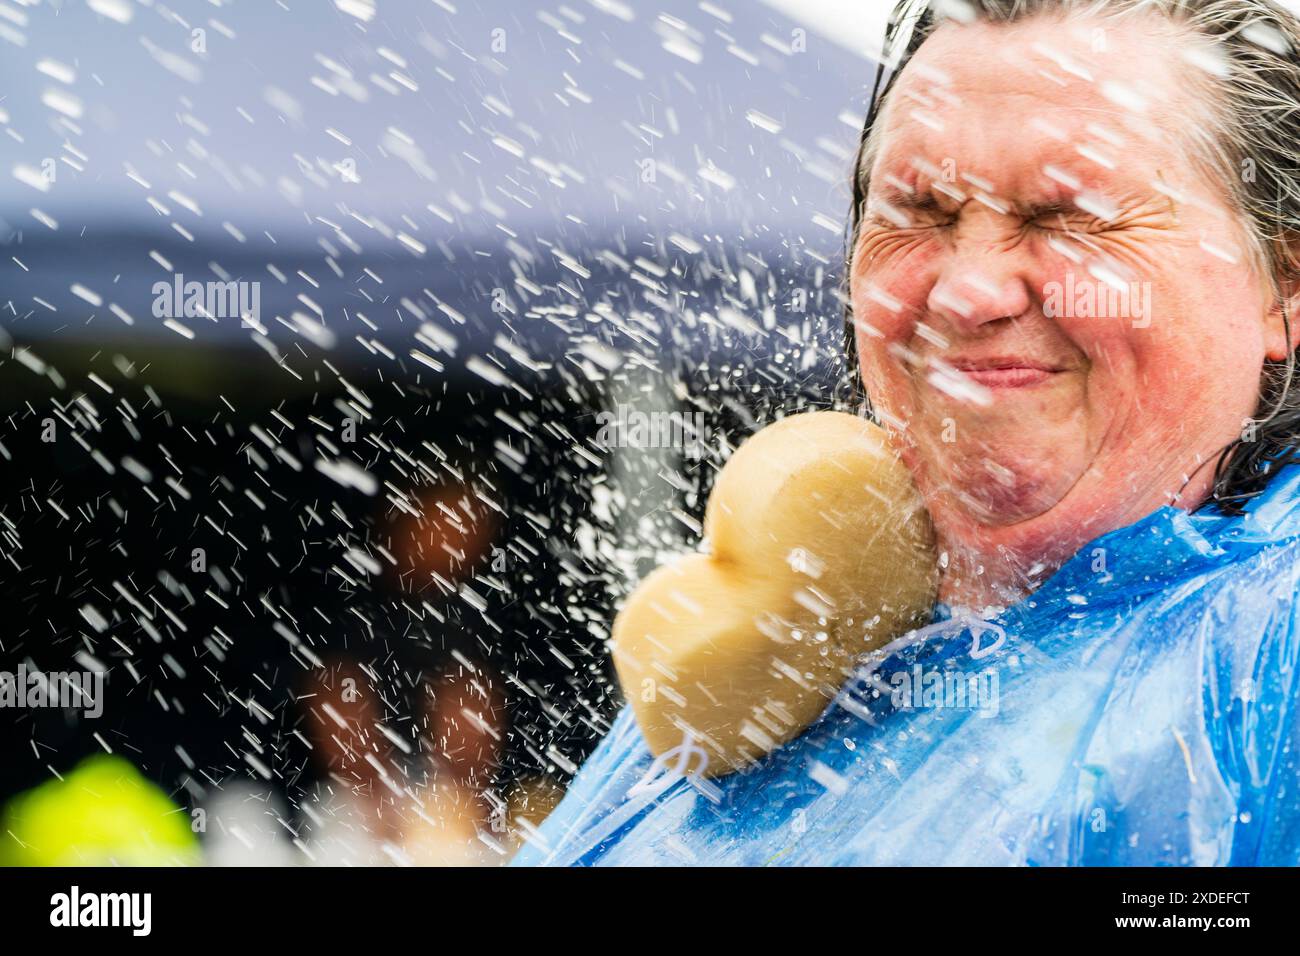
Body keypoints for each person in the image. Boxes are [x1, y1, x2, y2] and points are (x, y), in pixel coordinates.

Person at [512, 0, 1300, 866]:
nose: (967, 294)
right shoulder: (796, 630)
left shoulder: (1272, 655)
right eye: (919, 210)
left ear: (1284, 286)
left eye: (1069, 214)